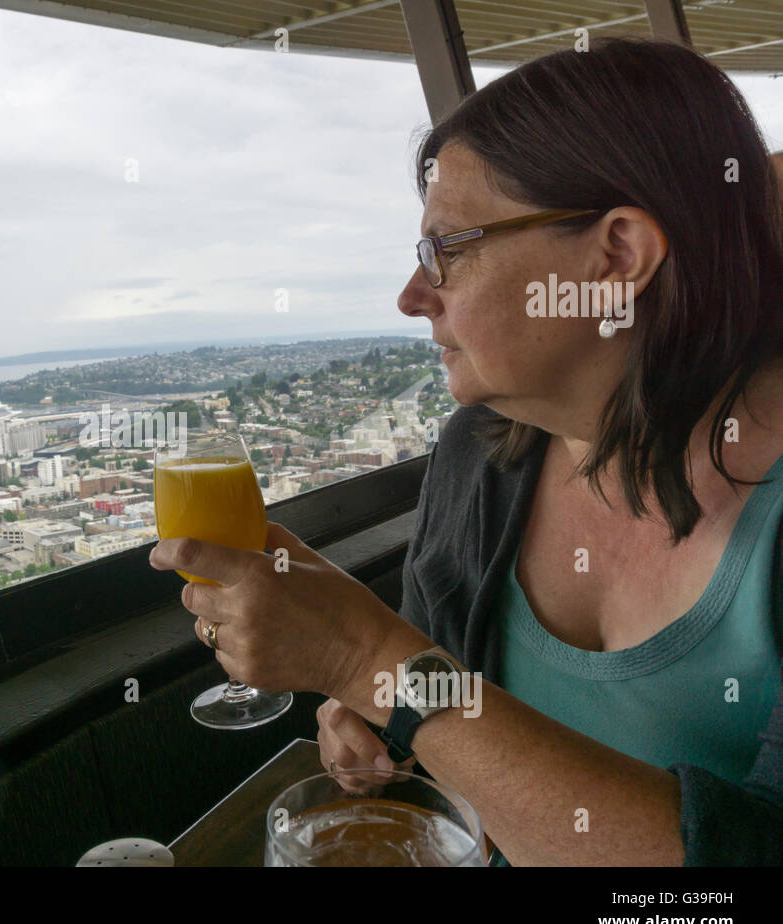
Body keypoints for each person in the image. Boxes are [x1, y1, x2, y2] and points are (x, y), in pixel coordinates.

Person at [149, 38, 783, 865]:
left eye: (447, 249)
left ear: (617, 255)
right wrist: (391, 723)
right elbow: (444, 692)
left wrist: (368, 659)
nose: (413, 296)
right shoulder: (483, 456)